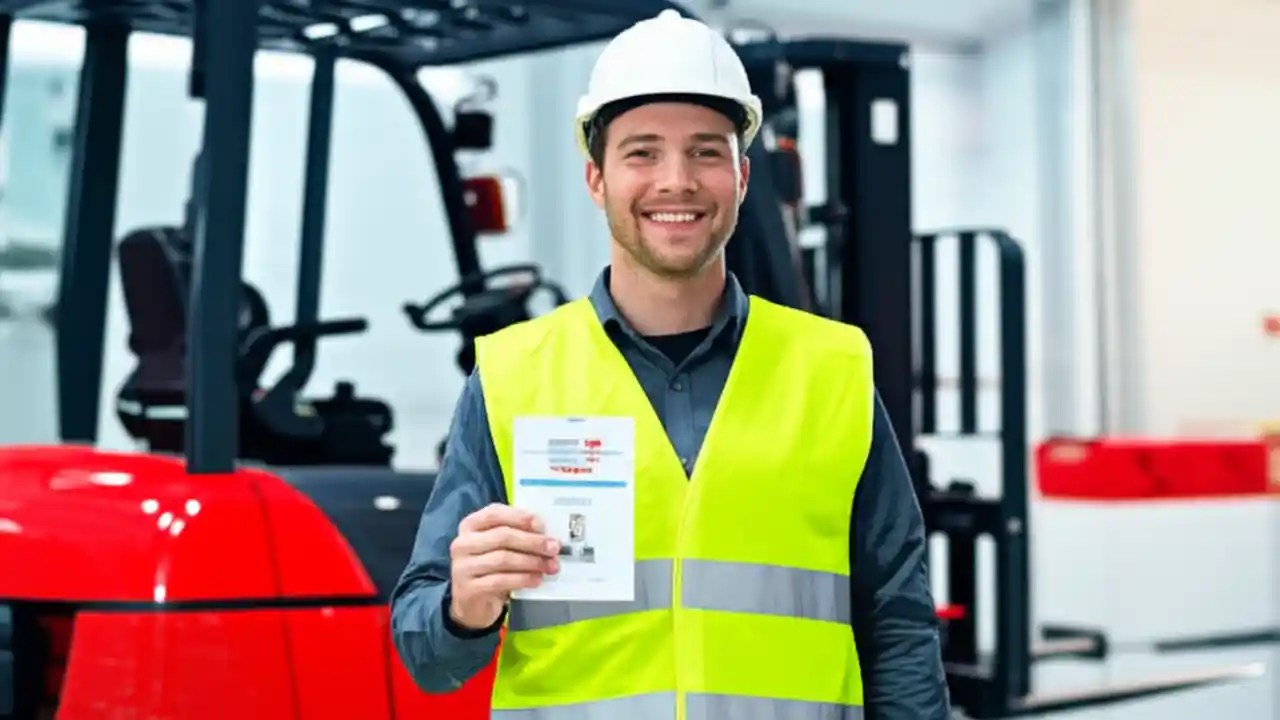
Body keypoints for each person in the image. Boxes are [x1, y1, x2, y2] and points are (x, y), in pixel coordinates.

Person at [390, 9, 951, 719]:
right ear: (596, 178)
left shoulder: (832, 369)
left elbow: (897, 623)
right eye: (642, 152)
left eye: (707, 152)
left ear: (744, 177)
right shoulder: (512, 376)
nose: (676, 181)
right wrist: (464, 606)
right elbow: (426, 658)